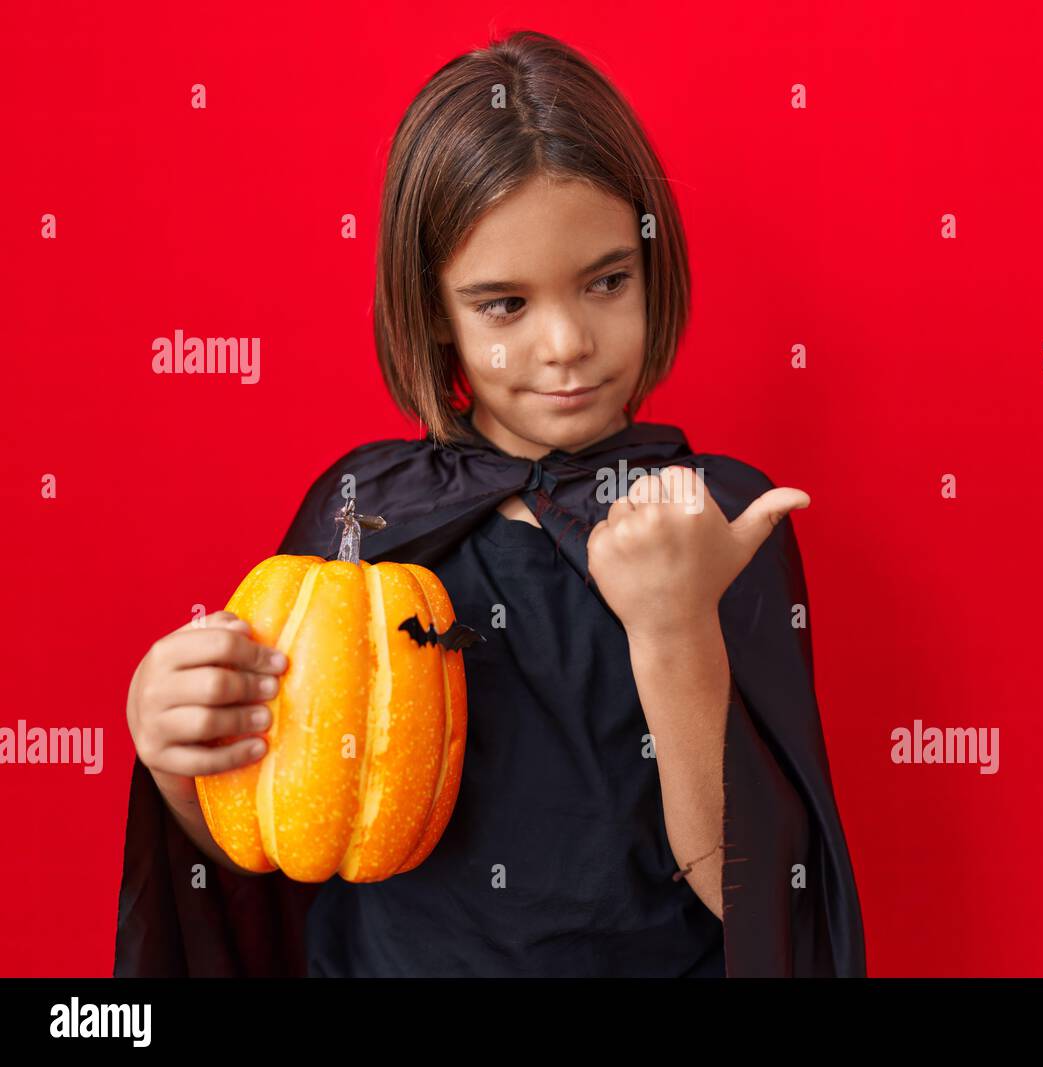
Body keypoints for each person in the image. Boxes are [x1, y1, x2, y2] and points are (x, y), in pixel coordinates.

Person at [115, 28, 866, 978]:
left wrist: (674, 630)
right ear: (433, 308)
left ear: (651, 261)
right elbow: (273, 847)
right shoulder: (364, 516)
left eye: (605, 282)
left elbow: (761, 905)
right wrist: (176, 755)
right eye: (504, 304)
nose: (565, 342)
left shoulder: (711, 520)